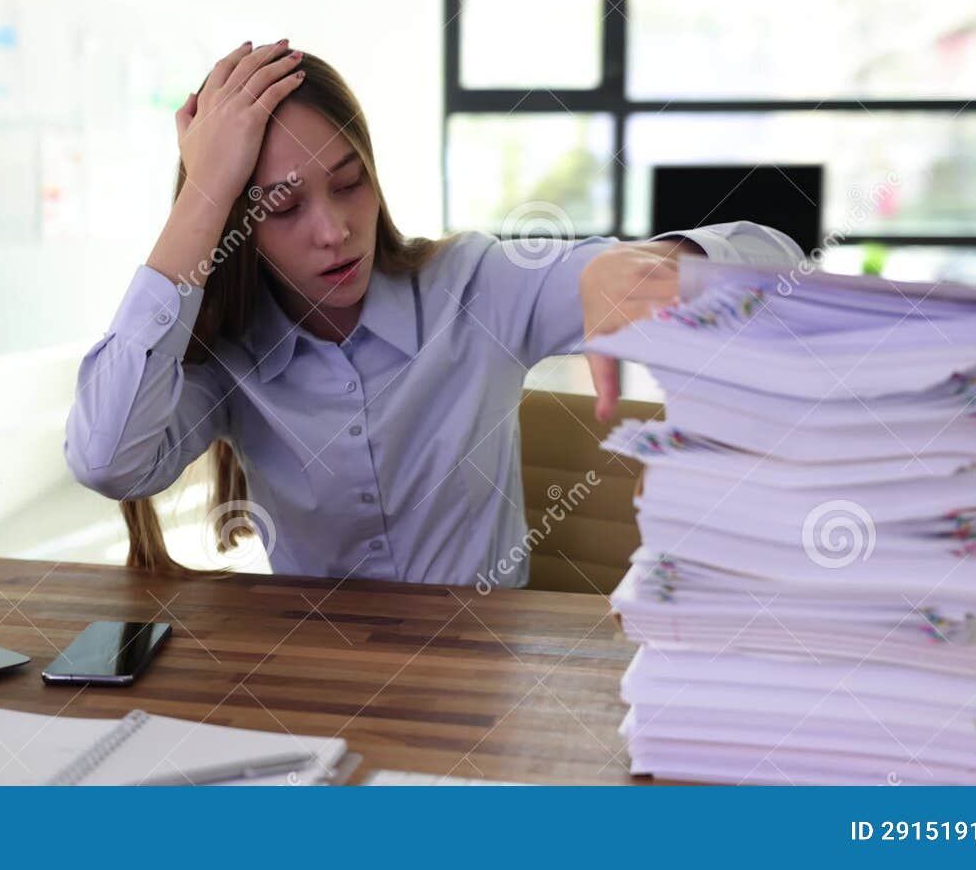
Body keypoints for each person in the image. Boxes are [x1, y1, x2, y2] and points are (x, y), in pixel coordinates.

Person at [63, 40, 803, 585]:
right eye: (282, 207)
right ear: (238, 226)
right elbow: (106, 458)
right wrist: (202, 196)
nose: (333, 230)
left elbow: (775, 253)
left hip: (484, 679)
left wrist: (659, 265)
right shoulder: (229, 356)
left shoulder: (475, 283)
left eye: (350, 184)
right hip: (317, 685)